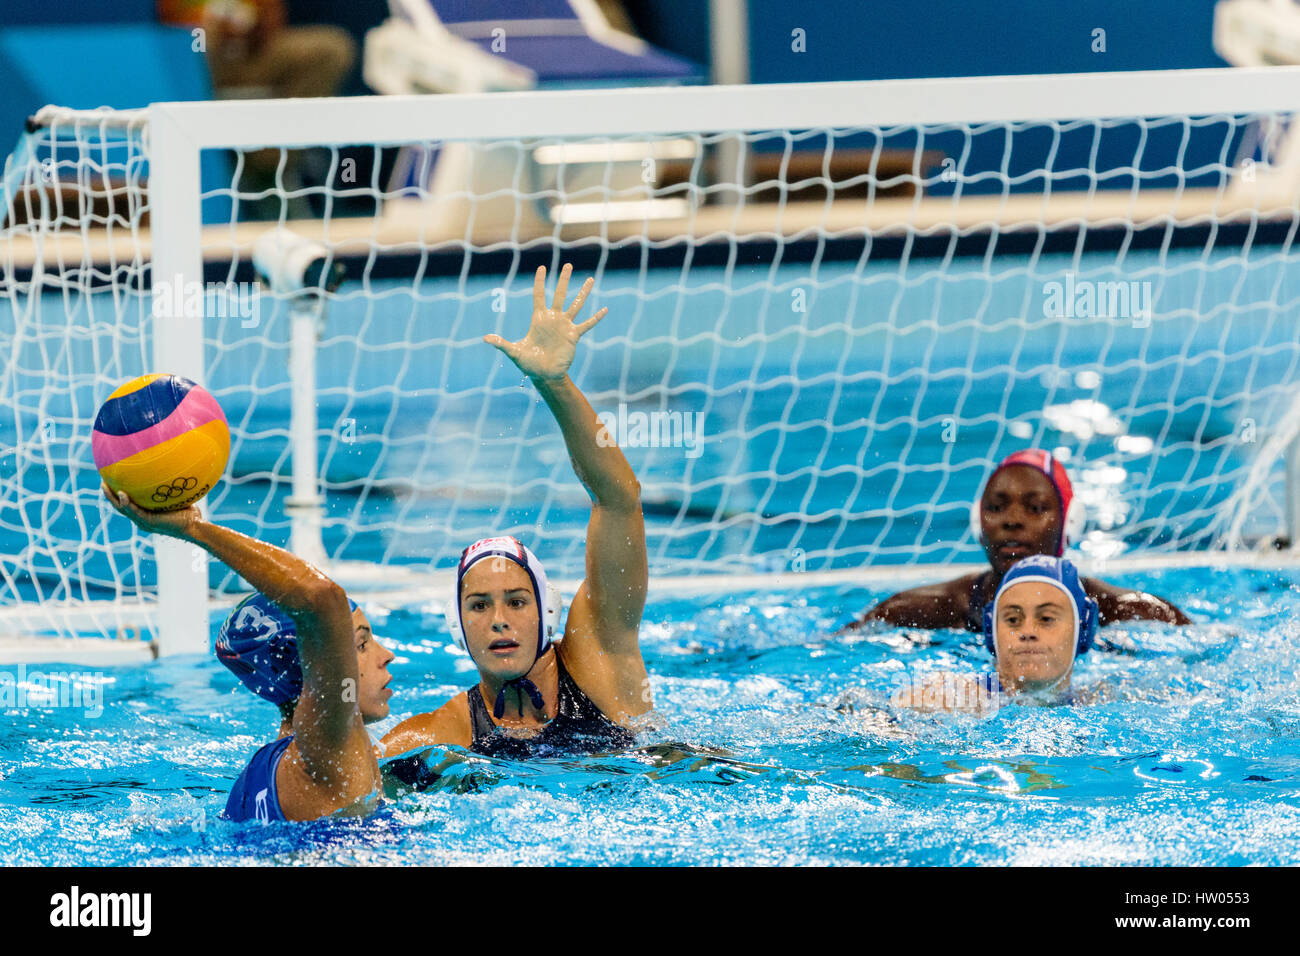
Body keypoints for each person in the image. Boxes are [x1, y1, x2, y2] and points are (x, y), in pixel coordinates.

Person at [382, 264, 651, 764]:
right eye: (479, 606)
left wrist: (556, 383)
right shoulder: (443, 732)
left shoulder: (600, 659)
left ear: (547, 611)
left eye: (517, 602)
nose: (499, 622)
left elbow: (619, 500)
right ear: (457, 624)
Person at [102, 484, 394, 823]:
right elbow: (322, 599)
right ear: (313, 669)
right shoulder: (329, 744)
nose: (386, 655)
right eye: (359, 644)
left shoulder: (256, 775)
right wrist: (193, 528)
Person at [840, 449, 1190, 635]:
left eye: (1035, 508)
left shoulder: (1127, 612)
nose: (1012, 520)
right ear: (979, 521)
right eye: (996, 507)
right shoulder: (926, 610)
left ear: (1069, 523)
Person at [892, 554, 1097, 712]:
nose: (1027, 632)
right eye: (1013, 620)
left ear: (1083, 631)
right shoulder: (958, 698)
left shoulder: (1094, 699)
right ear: (991, 633)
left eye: (1046, 619)